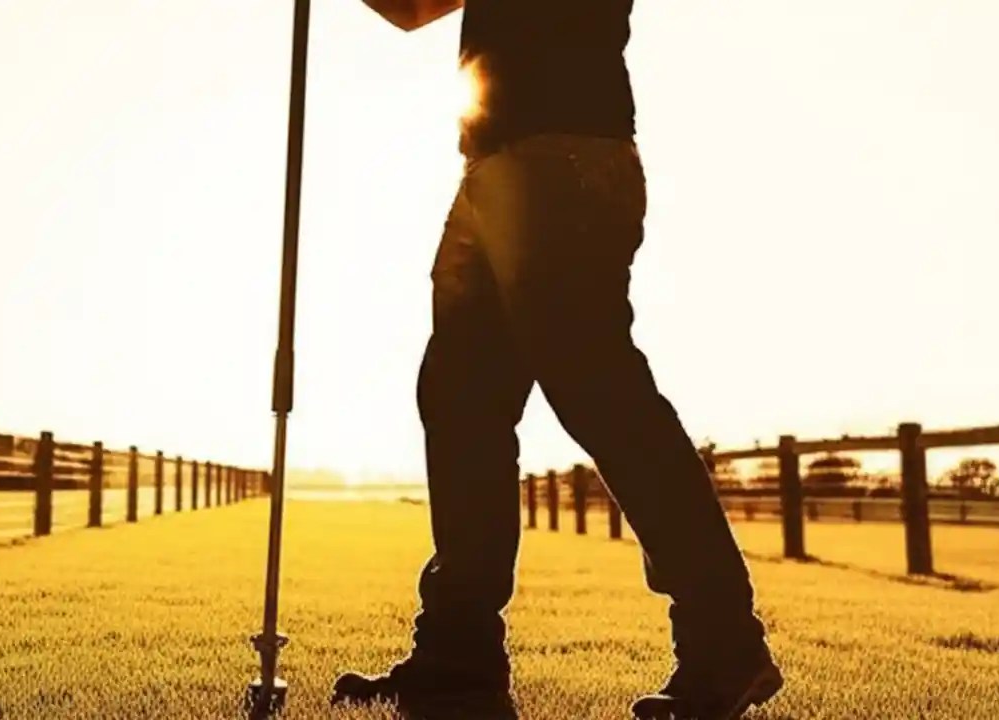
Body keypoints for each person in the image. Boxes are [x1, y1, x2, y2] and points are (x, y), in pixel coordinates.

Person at [332, 1, 784, 718]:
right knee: (461, 399)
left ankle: (724, 642)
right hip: (498, 167)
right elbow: (416, 7)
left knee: (598, 391)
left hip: (563, 159)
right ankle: (458, 657)